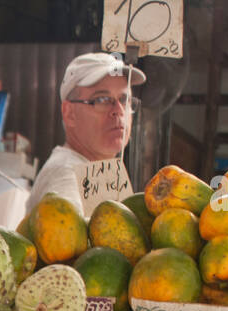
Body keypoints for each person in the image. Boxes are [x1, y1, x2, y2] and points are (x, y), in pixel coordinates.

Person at [27, 52, 146, 216]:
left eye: (124, 100)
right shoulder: (65, 176)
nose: (118, 111)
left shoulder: (102, 169)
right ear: (69, 113)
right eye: (102, 100)